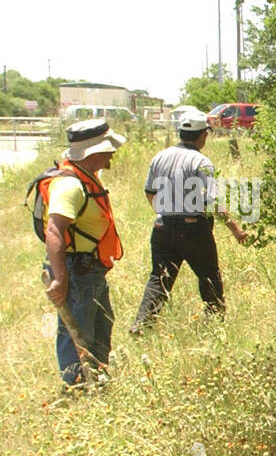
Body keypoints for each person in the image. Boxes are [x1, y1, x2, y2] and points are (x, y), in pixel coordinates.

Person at [129, 113, 248, 333]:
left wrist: (165, 213)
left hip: (162, 227)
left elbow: (149, 192)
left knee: (159, 279)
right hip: (194, 229)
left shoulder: (160, 157)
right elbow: (211, 201)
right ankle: (215, 327)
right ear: (203, 135)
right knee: (209, 277)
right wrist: (236, 229)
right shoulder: (201, 162)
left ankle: (142, 325)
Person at [42, 119, 127, 385]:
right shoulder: (70, 186)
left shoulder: (87, 178)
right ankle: (75, 387)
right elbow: (54, 231)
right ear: (94, 152)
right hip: (76, 271)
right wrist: (59, 279)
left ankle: (98, 379)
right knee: (76, 332)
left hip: (90, 270)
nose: (113, 152)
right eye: (109, 147)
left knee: (100, 326)